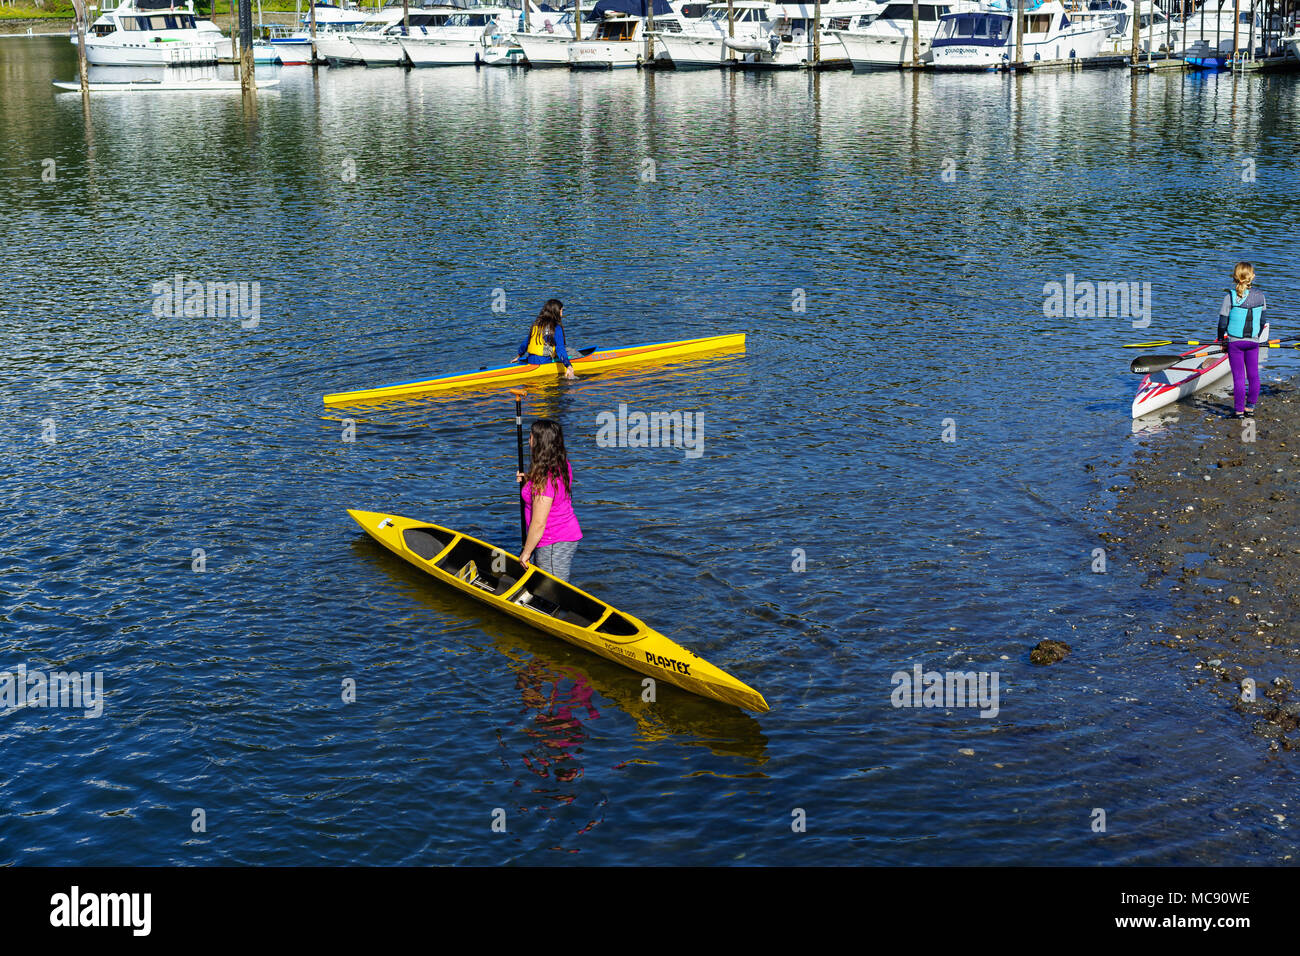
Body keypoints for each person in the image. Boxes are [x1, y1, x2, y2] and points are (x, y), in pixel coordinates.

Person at [516, 419, 582, 580]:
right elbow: (553, 493)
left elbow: (539, 523)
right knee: (543, 582)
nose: (528, 440)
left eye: (530, 437)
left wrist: (526, 552)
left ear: (539, 443)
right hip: (560, 535)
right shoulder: (561, 465)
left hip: (553, 540)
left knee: (552, 587)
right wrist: (529, 479)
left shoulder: (544, 482)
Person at [1216, 262, 1268, 420]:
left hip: (1235, 343)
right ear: (1252, 277)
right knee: (1254, 376)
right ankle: (1250, 408)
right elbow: (1262, 322)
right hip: (1253, 343)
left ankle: (1238, 412)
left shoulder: (1229, 297)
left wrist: (1221, 340)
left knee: (1238, 377)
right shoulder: (1261, 296)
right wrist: (1256, 337)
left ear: (1235, 277)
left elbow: (1222, 324)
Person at [515, 299, 576, 381]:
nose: (561, 314)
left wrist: (518, 356)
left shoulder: (536, 324)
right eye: (561, 311)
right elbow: (560, 348)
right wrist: (568, 366)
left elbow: (526, 342)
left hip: (530, 359)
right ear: (556, 312)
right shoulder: (556, 327)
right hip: (544, 362)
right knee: (570, 352)